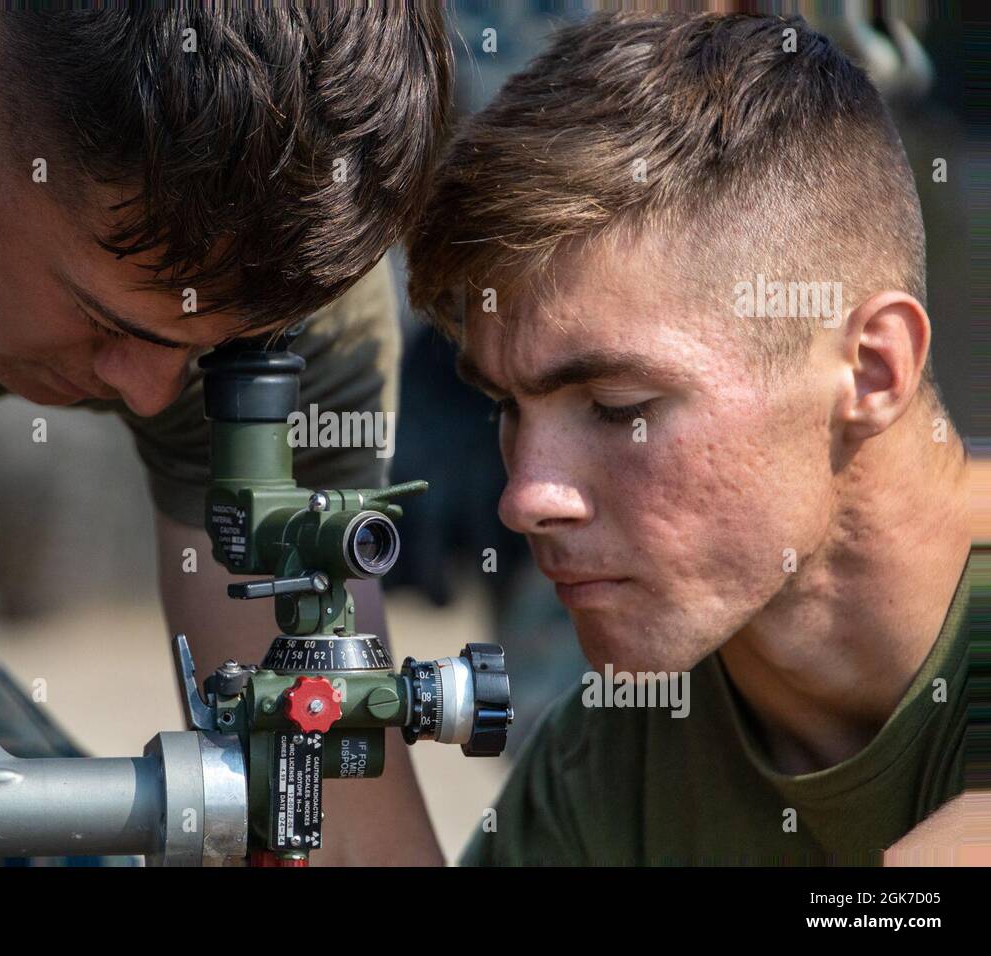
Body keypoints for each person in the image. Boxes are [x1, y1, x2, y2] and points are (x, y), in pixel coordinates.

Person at [0, 5, 452, 866]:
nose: (154, 396)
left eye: (210, 352)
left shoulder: (282, 262)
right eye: (105, 321)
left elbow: (327, 819)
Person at [407, 12, 971, 865]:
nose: (524, 498)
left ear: (872, 372)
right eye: (508, 407)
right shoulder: (605, 767)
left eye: (617, 405)